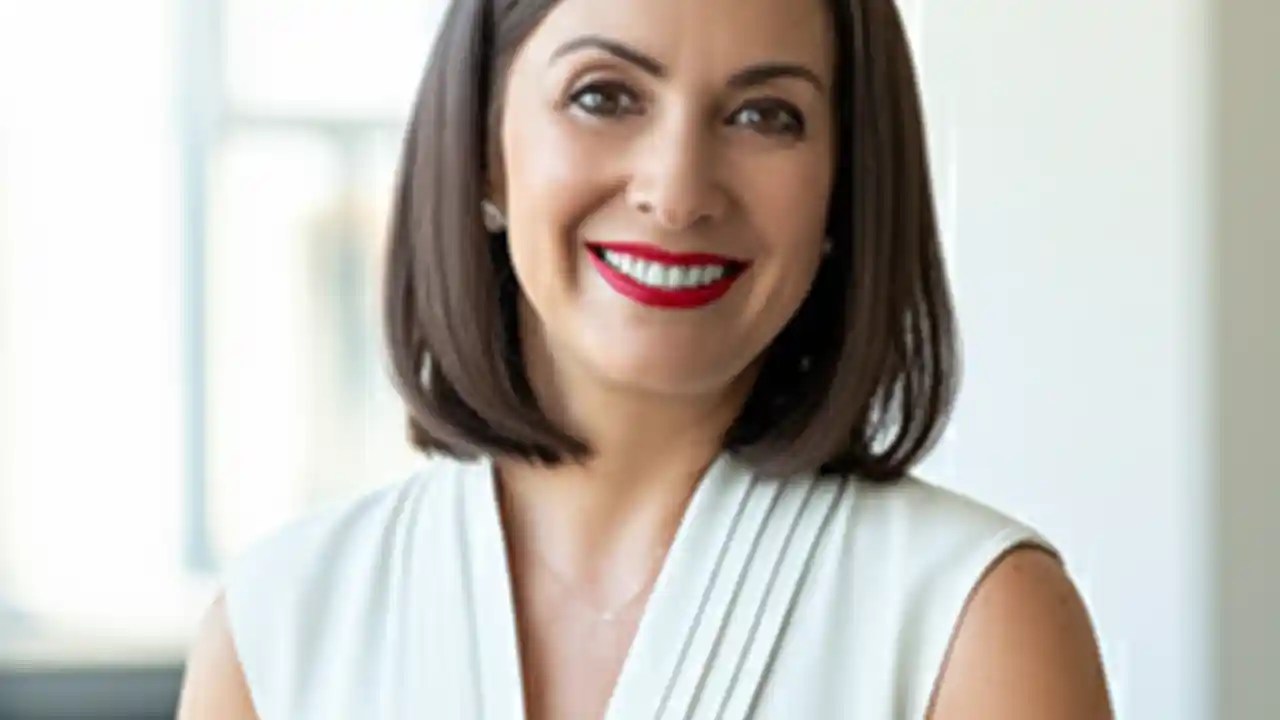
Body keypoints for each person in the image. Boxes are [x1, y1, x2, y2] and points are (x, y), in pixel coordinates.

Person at [178, 0, 1114, 717]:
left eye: (766, 115)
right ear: (485, 150)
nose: (676, 192)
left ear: (844, 186)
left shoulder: (974, 621)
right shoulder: (278, 629)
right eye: (603, 97)